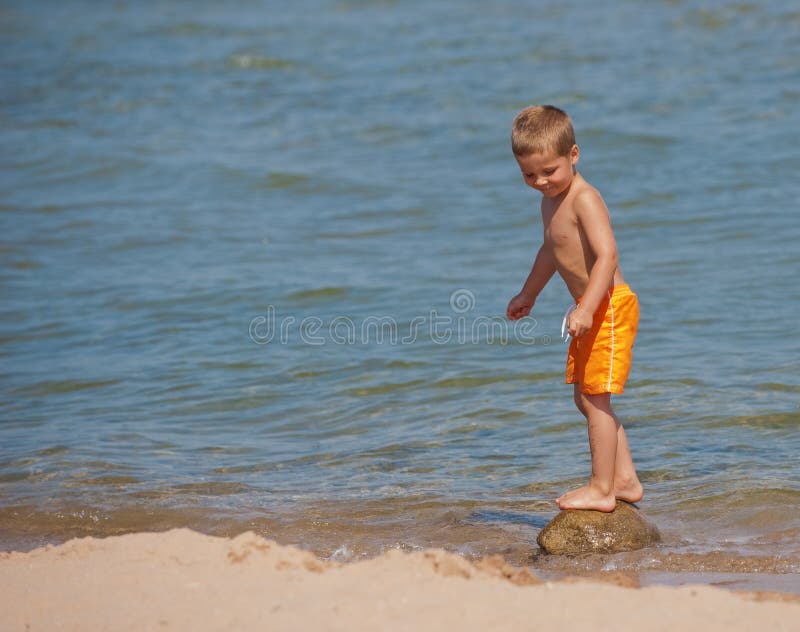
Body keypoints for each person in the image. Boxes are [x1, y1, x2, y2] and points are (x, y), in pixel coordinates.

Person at [506, 105, 642, 512]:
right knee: (585, 399)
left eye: (549, 170)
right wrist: (528, 293)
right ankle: (625, 480)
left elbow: (607, 256)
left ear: (574, 155)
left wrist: (587, 309)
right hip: (588, 307)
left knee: (596, 397)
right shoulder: (550, 203)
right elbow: (551, 251)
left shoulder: (585, 198)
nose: (541, 181)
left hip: (609, 306)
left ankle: (602, 489)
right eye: (529, 174)